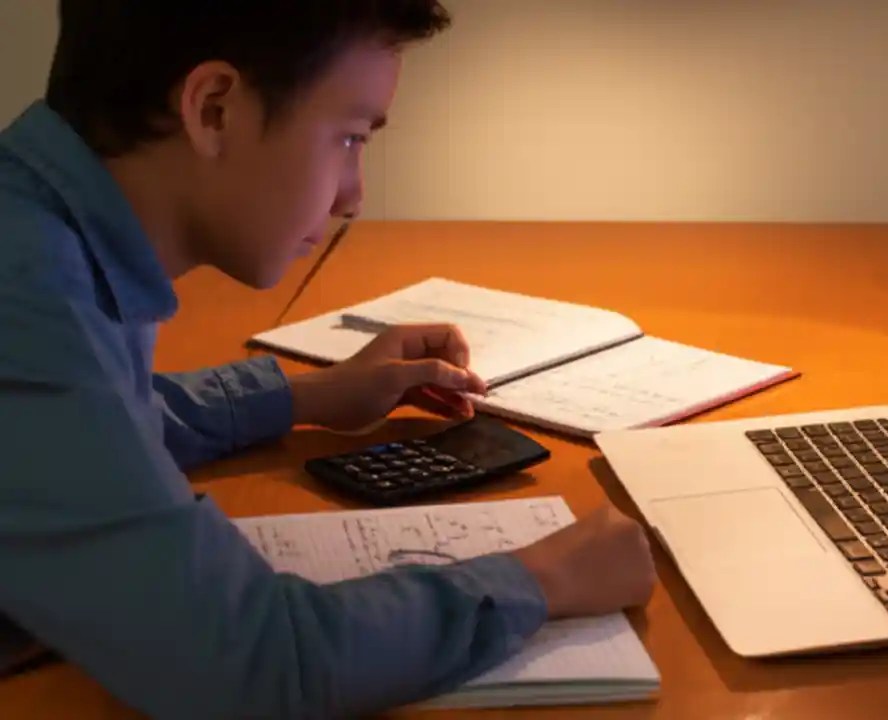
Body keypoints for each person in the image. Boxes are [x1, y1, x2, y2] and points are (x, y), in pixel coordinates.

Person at [0, 1, 656, 717]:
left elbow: (95, 426)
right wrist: (545, 578)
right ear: (214, 109)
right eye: (349, 138)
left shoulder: (41, 239)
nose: (354, 196)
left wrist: (307, 396)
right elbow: (251, 664)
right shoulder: (28, 295)